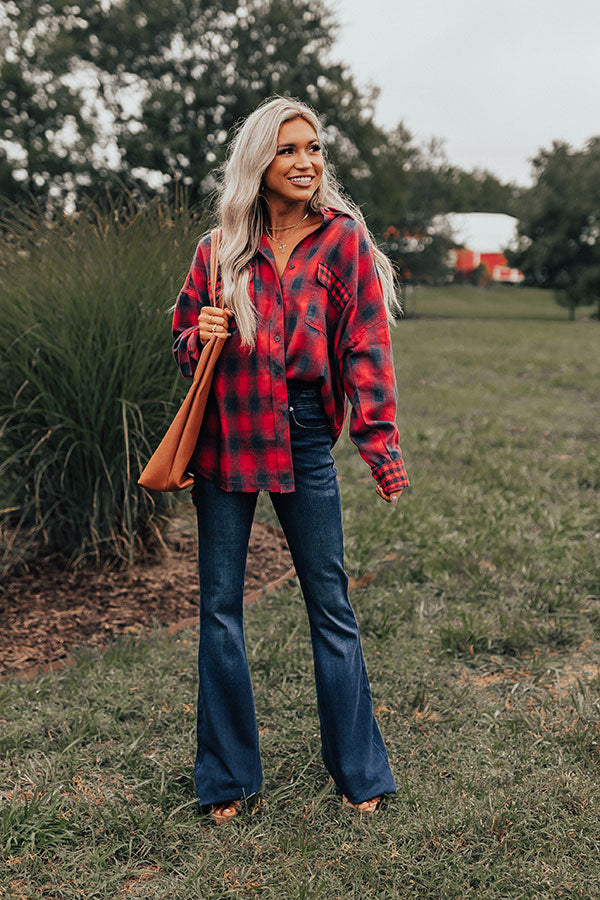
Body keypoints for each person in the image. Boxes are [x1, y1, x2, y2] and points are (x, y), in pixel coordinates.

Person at [172, 96, 409, 825]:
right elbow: (182, 342)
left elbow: (366, 345)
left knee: (330, 605)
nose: (305, 161)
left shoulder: (341, 240)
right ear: (259, 162)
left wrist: (379, 446)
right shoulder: (218, 249)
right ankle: (227, 780)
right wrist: (201, 333)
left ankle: (360, 772)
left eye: (313, 148)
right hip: (225, 434)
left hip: (304, 432)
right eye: (288, 149)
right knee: (220, 609)